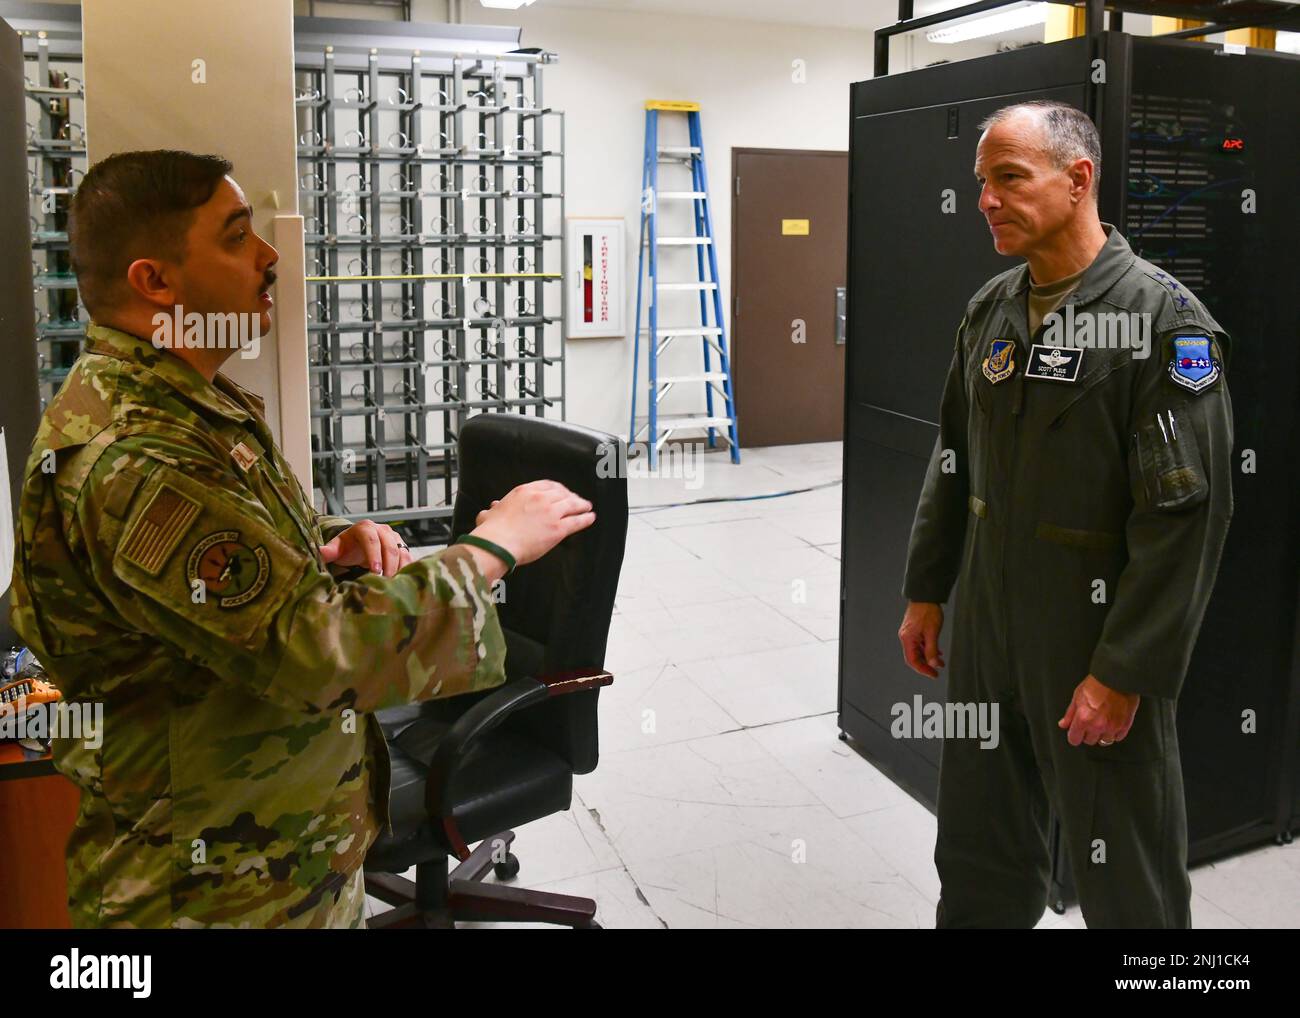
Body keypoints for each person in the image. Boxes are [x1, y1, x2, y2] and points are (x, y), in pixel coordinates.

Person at [7, 149, 595, 928]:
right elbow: (318, 650)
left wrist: (319, 539)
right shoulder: (141, 455)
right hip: (217, 887)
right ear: (157, 281)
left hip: (269, 848)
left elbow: (222, 549)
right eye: (237, 235)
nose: (271, 255)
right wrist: (492, 548)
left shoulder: (175, 401)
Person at [896, 102, 1233, 928]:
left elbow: (1184, 520)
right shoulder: (993, 311)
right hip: (986, 626)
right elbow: (953, 458)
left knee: (1126, 872)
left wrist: (1124, 671)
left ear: (1078, 179)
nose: (986, 200)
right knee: (977, 851)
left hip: (1089, 635)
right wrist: (928, 588)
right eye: (982, 182)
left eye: (1009, 177)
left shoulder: (1164, 324)